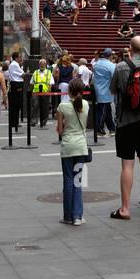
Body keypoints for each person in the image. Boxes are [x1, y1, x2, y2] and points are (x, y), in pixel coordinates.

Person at [109, 35, 140, 219]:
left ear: (130, 48)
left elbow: (113, 90)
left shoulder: (121, 66)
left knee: (127, 165)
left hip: (126, 120)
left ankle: (125, 209)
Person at [57, 76, 90, 224]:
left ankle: (68, 216)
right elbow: (85, 125)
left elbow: (59, 130)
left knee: (68, 181)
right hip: (81, 147)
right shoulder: (85, 105)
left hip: (68, 147)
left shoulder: (63, 107)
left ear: (69, 91)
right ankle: (78, 216)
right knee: (78, 181)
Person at [93, 50, 116, 136]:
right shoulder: (110, 65)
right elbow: (114, 77)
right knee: (102, 111)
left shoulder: (97, 64)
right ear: (110, 56)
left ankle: (112, 128)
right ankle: (99, 129)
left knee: (106, 110)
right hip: (106, 90)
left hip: (98, 89)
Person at [7, 50, 25, 132]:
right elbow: (23, 74)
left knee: (16, 105)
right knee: (16, 105)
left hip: (16, 84)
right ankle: (14, 122)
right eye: (20, 57)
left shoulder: (15, 65)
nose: (21, 58)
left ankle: (15, 122)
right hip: (16, 85)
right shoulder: (14, 65)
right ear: (16, 58)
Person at [32, 58, 53, 128]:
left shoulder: (48, 72)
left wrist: (48, 91)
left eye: (44, 64)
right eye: (41, 64)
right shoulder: (35, 72)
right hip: (36, 92)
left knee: (45, 107)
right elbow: (31, 83)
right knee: (35, 105)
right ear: (39, 65)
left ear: (46, 65)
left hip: (45, 92)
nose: (42, 66)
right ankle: (34, 120)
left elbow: (51, 83)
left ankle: (44, 120)